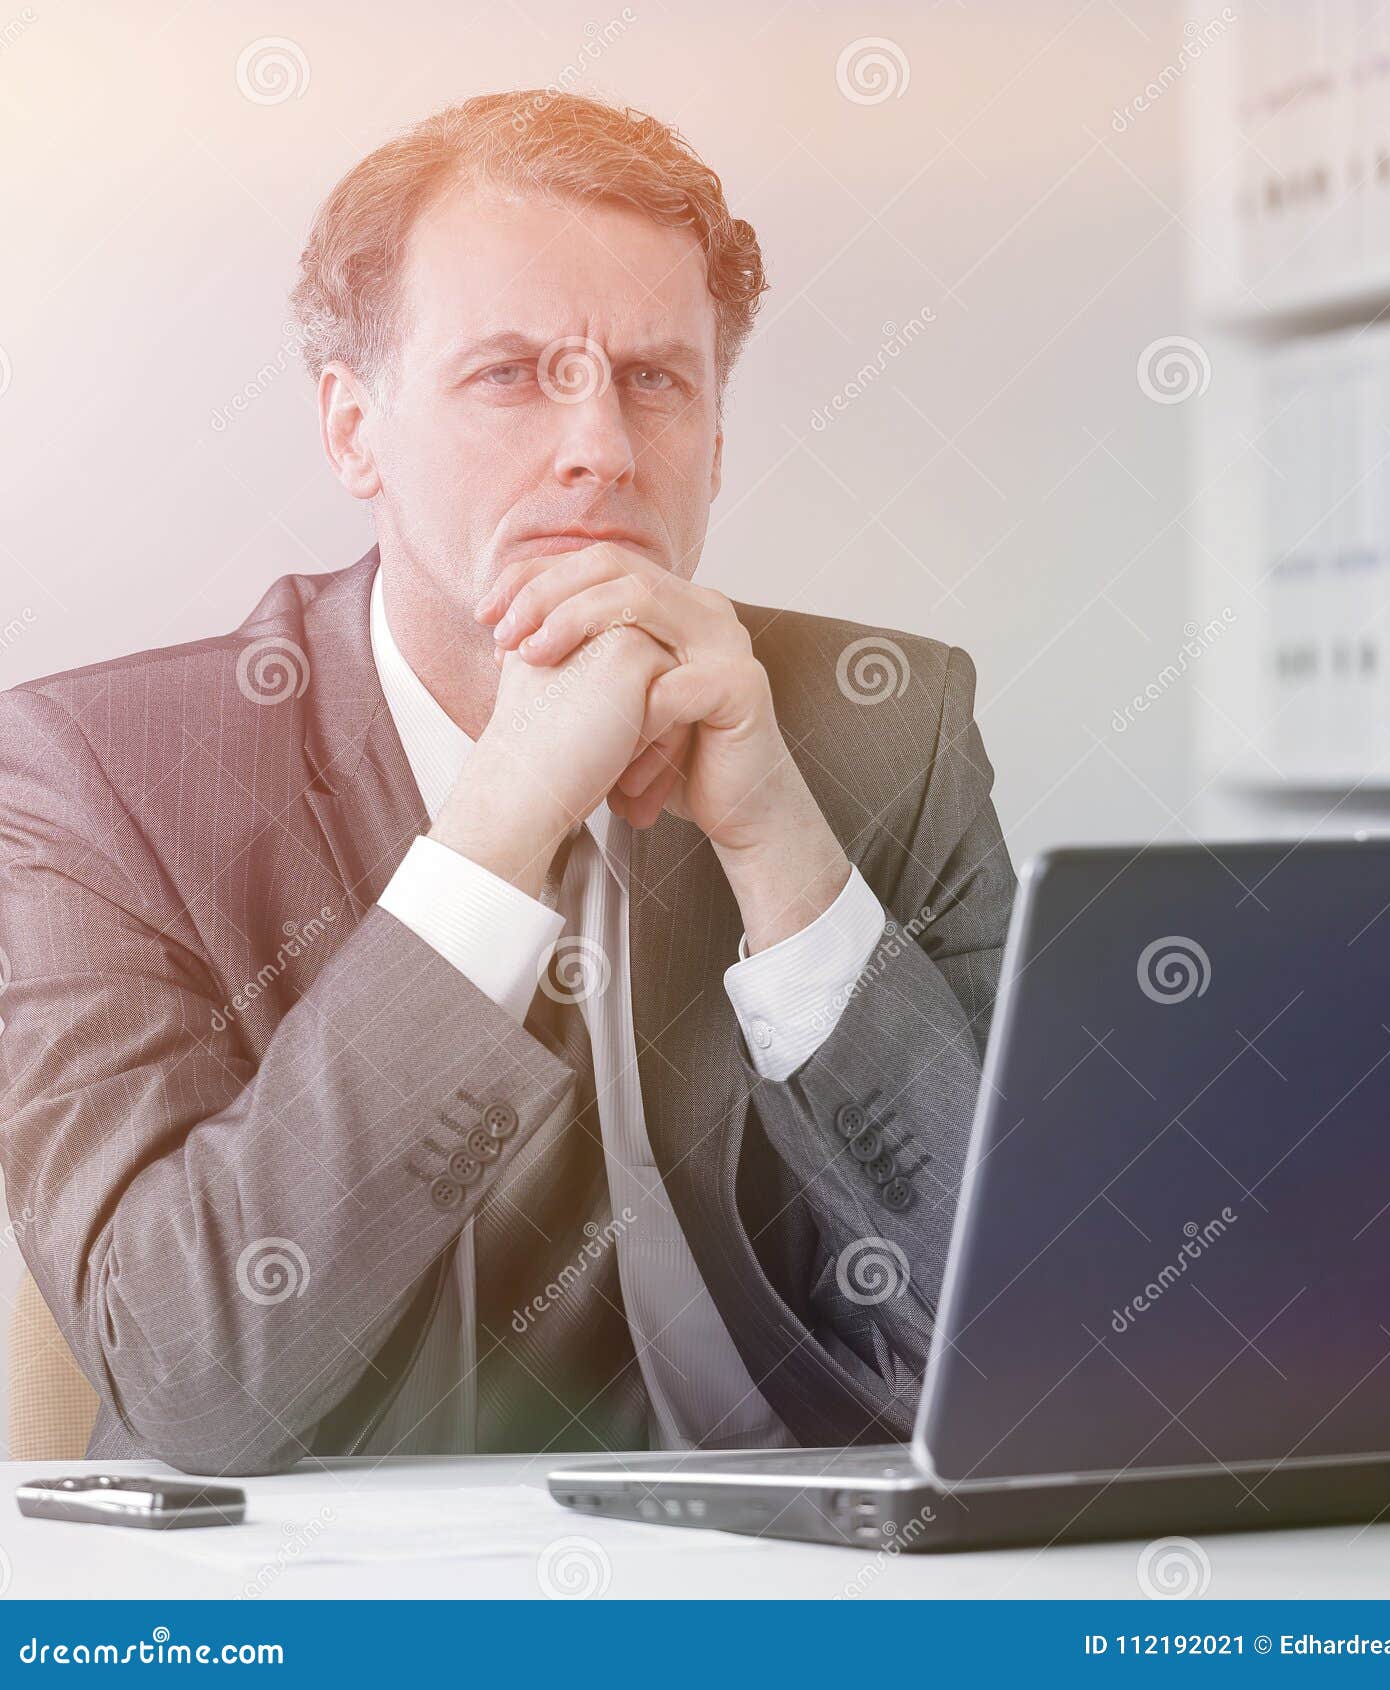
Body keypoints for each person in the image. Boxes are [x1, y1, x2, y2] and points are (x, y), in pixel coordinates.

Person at [0, 90, 1016, 1475]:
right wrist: (496, 831)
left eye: (656, 378)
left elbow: (1023, 1337)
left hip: (789, 1593)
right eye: (511, 373)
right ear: (352, 427)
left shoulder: (885, 734)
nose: (600, 444)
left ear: (715, 438)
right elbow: (195, 1382)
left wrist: (784, 851)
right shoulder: (101, 775)